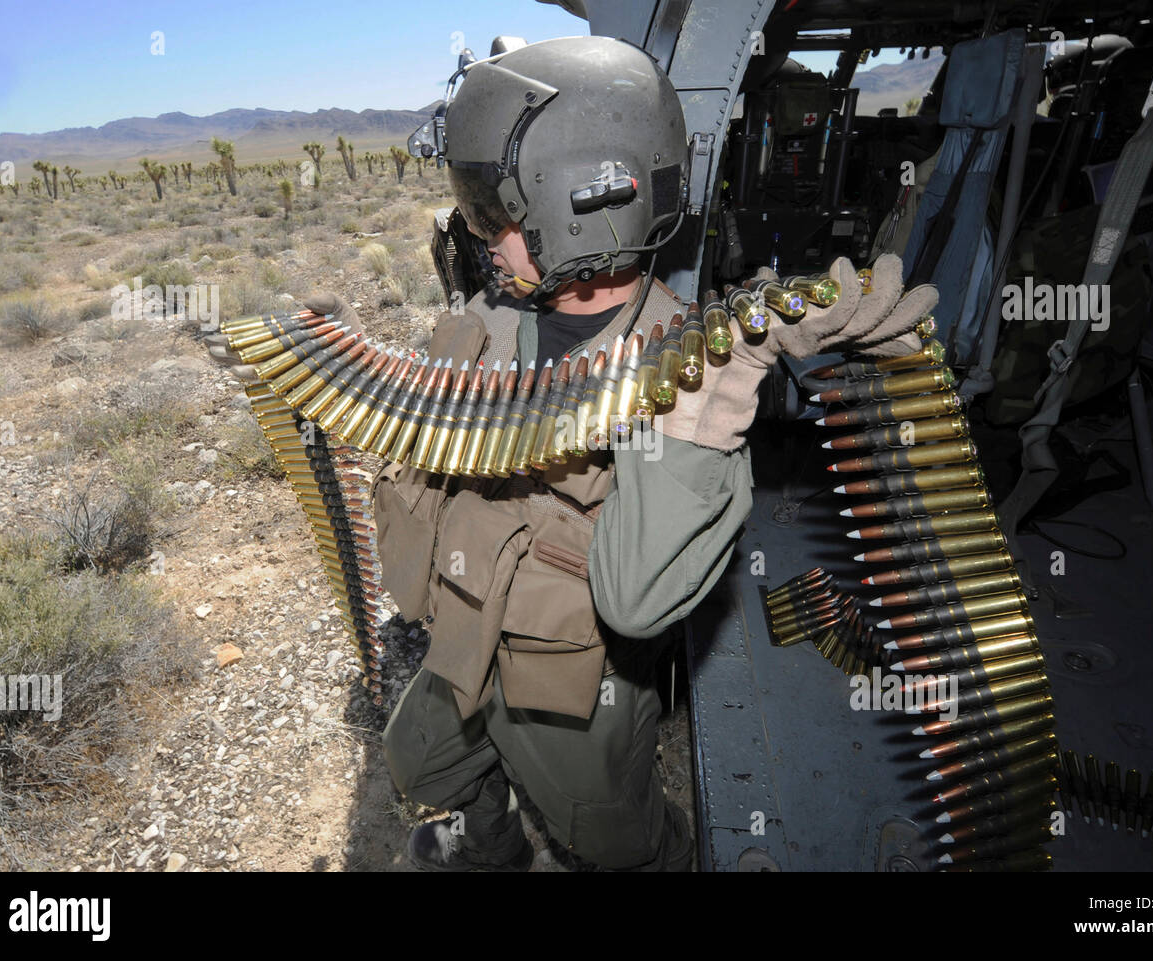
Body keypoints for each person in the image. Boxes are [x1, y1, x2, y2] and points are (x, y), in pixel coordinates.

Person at [211, 34, 936, 872]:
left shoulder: (686, 378)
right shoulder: (504, 310)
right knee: (423, 757)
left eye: (495, 211)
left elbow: (634, 601)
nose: (477, 228)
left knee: (608, 832)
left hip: (570, 678)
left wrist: (708, 405)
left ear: (582, 208)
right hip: (469, 617)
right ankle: (489, 842)